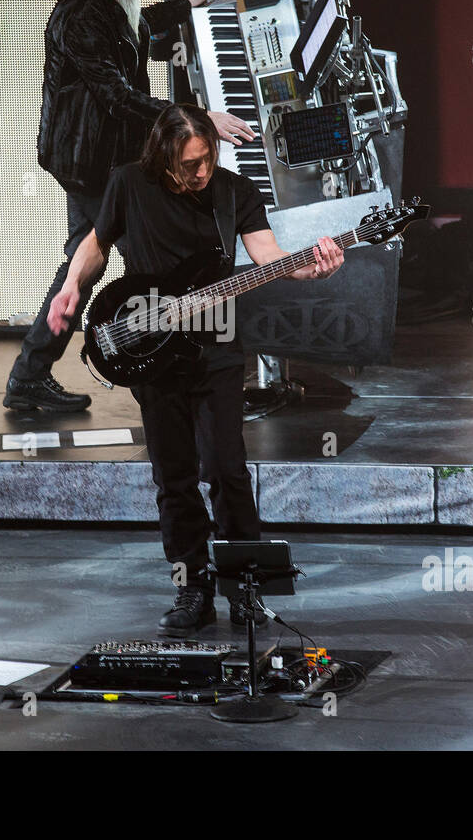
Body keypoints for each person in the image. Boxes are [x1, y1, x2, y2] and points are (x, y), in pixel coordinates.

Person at [48, 104, 344, 636]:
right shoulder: (129, 184)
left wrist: (317, 265)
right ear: (163, 158)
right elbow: (96, 243)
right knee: (174, 476)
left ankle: (246, 585)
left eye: (206, 159)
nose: (200, 172)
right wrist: (72, 287)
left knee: (226, 468)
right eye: (189, 165)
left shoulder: (234, 193)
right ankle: (193, 587)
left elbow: (271, 255)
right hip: (151, 346)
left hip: (217, 347)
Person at [4, 0, 256, 412]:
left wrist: (185, 1)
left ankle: (33, 374)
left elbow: (139, 25)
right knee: (125, 255)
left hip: (108, 156)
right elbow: (118, 97)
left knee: (86, 260)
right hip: (88, 161)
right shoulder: (79, 15)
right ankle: (162, 369)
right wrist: (200, 118)